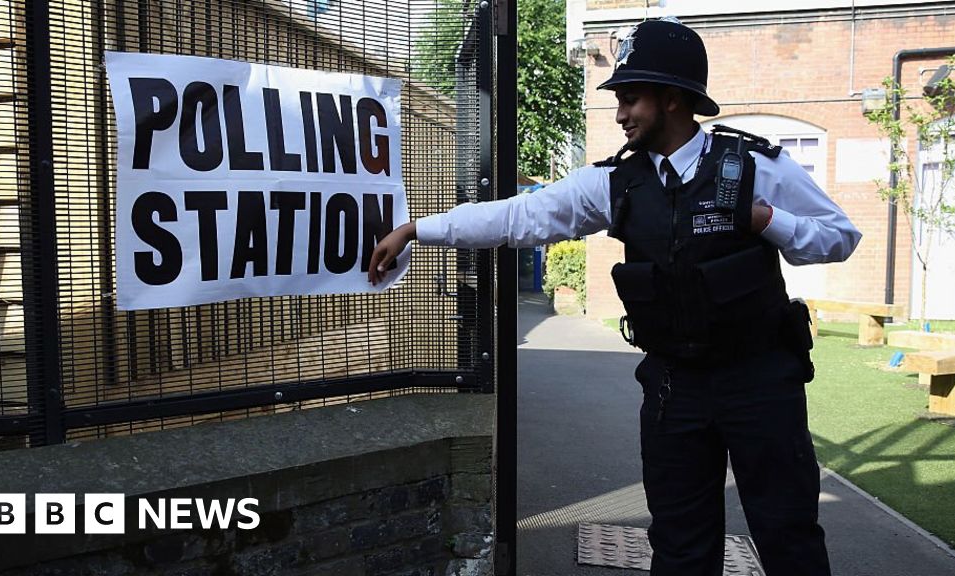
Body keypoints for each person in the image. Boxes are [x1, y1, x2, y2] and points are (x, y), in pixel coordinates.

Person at [368, 17, 860, 576]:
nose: (620, 114)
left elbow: (839, 237)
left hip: (761, 381)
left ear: (673, 98)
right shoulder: (613, 184)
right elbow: (521, 215)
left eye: (630, 99)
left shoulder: (753, 167)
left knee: (787, 536)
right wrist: (419, 229)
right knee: (679, 544)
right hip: (676, 387)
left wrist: (765, 218)